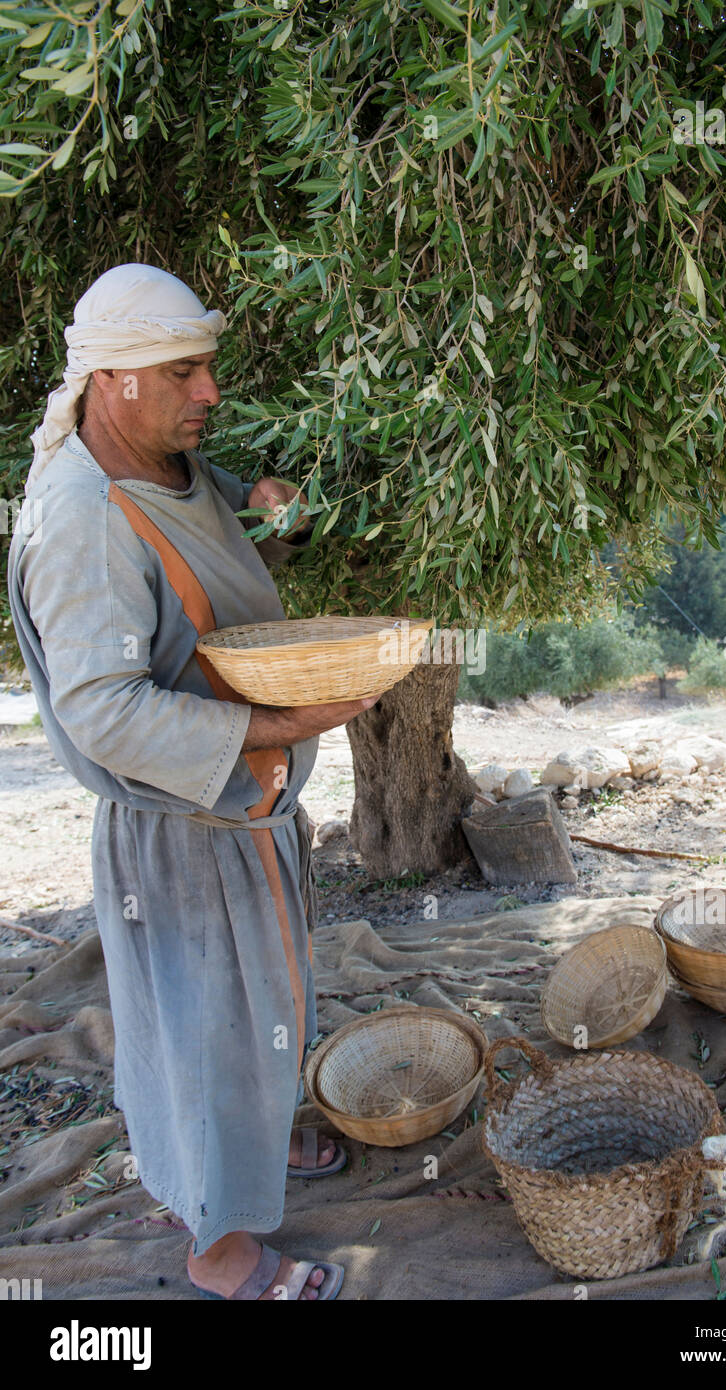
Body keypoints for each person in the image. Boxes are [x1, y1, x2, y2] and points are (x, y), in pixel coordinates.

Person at [8, 263, 382, 1300]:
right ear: (118, 380)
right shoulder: (80, 516)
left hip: (242, 810)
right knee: (203, 1029)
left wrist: (268, 508)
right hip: (180, 834)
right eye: (187, 372)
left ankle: (256, 1149)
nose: (210, 392)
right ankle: (221, 1249)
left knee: (259, 1007)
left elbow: (211, 521)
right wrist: (274, 725)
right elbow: (102, 709)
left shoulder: (164, 465)